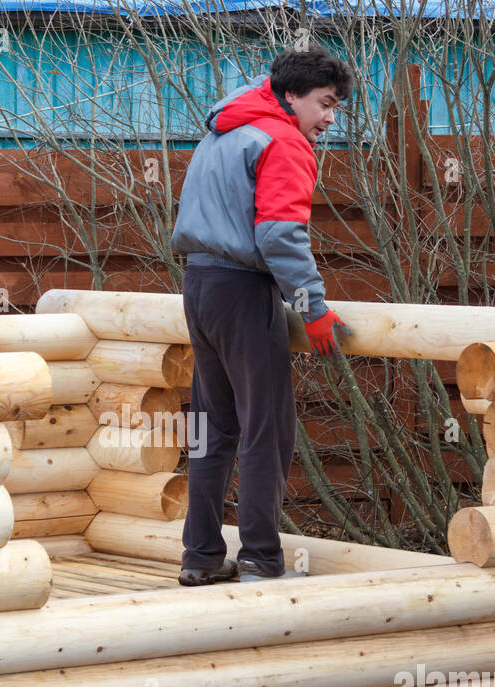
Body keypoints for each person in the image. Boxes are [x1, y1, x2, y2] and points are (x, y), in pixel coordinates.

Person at [171, 46, 354, 585]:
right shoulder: (283, 140)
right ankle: (261, 560)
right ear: (291, 96)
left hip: (198, 286)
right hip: (244, 293)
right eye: (324, 104)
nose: (329, 119)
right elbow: (279, 235)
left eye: (336, 108)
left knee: (211, 428)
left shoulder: (225, 132)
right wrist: (312, 309)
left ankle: (201, 556)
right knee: (265, 430)